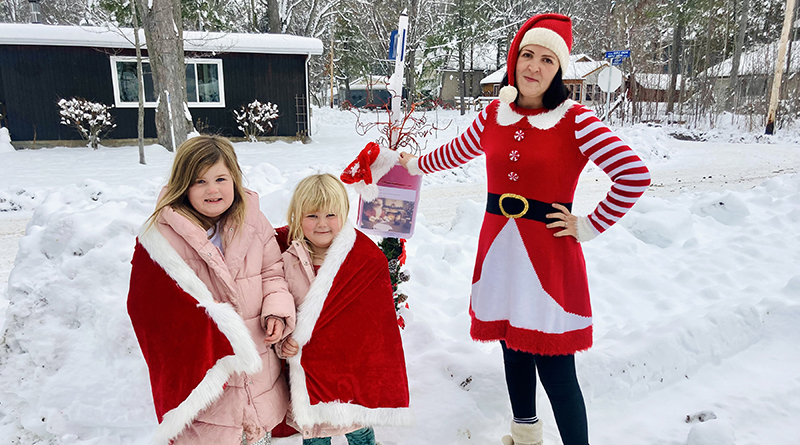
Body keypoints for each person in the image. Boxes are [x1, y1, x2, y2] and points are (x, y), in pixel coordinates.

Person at [398, 13, 651, 445]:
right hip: (500, 252)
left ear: (559, 70)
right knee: (512, 350)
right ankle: (525, 435)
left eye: (547, 60)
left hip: (549, 258)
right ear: (514, 61)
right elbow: (453, 153)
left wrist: (589, 224)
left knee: (555, 366)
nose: (533, 66)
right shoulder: (493, 114)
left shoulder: (576, 120)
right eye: (527, 55)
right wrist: (408, 164)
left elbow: (633, 173)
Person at [127, 135, 295, 445]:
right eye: (200, 181)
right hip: (206, 374)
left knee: (256, 432)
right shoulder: (162, 236)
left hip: (258, 366)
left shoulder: (254, 222)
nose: (213, 189)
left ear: (235, 178)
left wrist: (277, 311)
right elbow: (149, 308)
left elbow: (273, 273)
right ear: (183, 186)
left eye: (220, 178)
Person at [273, 173, 412, 445]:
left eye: (331, 215)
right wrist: (283, 343)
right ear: (297, 217)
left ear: (344, 214)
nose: (322, 224)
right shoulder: (287, 257)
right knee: (314, 433)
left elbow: (373, 325)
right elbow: (278, 306)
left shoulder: (363, 259)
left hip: (349, 370)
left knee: (356, 426)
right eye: (312, 216)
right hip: (308, 370)